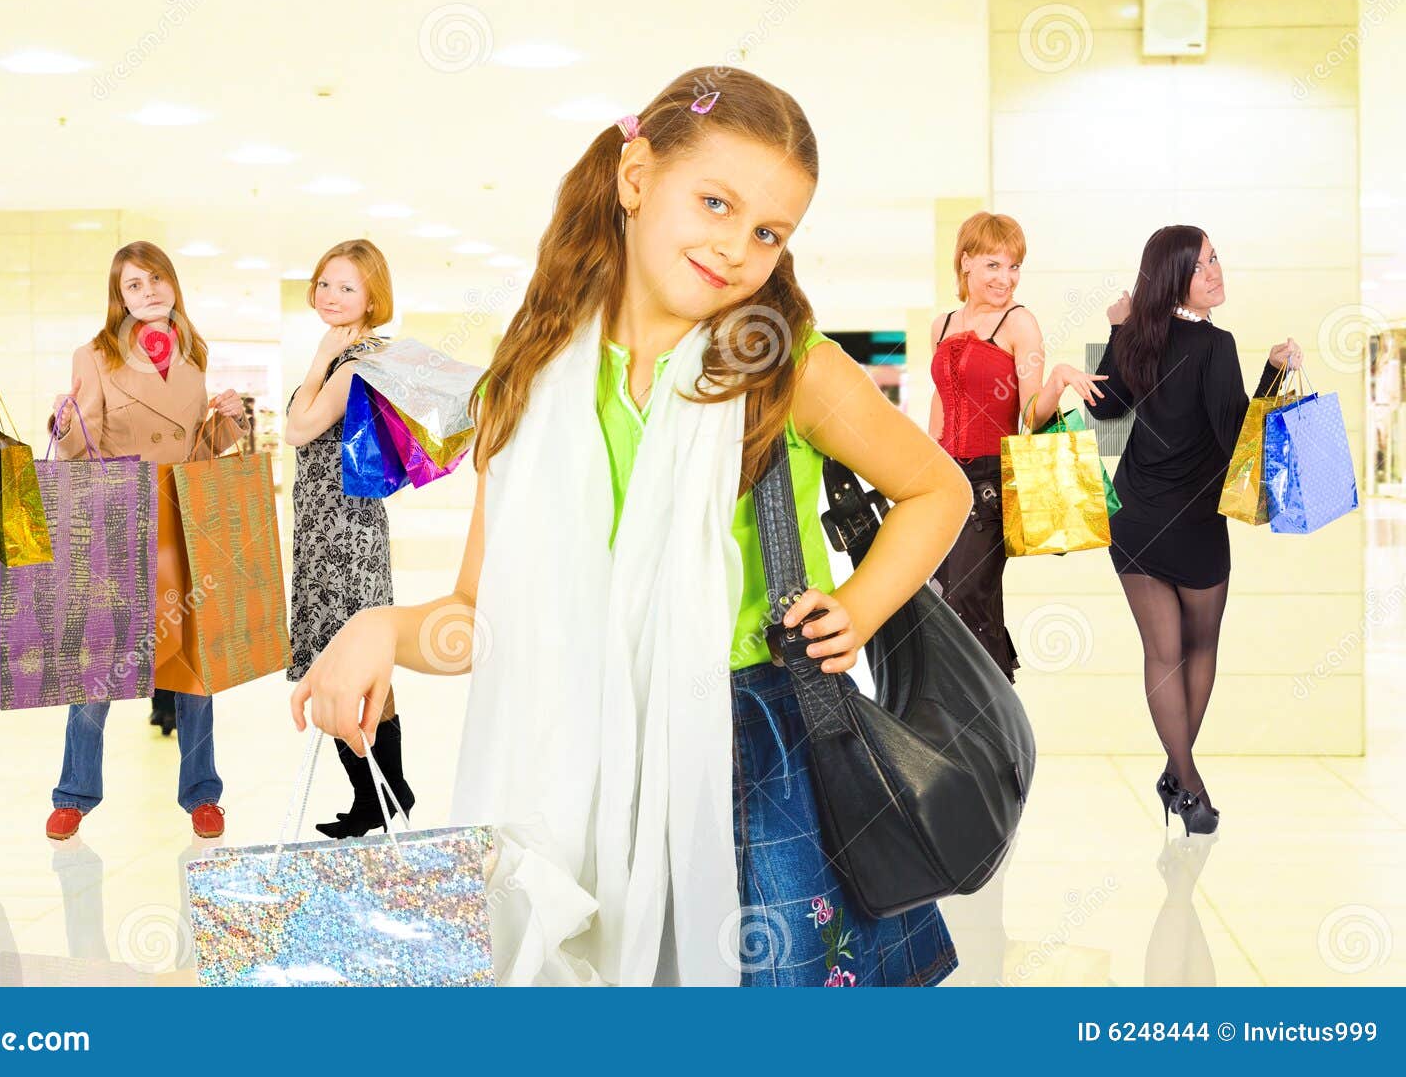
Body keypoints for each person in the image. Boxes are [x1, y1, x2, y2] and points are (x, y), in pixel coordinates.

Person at [293, 67, 976, 986]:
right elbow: (476, 616)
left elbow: (940, 491)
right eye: (715, 202)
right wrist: (374, 628)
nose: (737, 247)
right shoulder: (527, 385)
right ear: (636, 178)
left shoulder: (784, 368)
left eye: (768, 231)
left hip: (752, 757)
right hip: (572, 770)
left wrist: (856, 608)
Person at [1087, 226, 1301, 837]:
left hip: (1133, 518)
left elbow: (1103, 408)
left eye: (1216, 259)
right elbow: (1237, 434)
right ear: (1176, 276)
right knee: (1198, 649)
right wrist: (1271, 372)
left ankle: (1182, 780)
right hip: (1195, 523)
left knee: (1161, 654)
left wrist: (1117, 329)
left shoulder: (1139, 338)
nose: (1216, 270)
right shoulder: (1216, 344)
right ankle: (1186, 784)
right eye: (1203, 263)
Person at [43, 241, 249, 841]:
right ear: (120, 297)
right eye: (133, 285)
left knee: (192, 663)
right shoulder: (95, 355)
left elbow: (197, 453)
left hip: (182, 518)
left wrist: (229, 420)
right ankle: (74, 793)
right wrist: (63, 423)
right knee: (98, 662)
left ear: (173, 284)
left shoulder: (193, 352)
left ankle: (202, 793)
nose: (148, 292)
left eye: (156, 280)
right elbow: (81, 447)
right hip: (120, 515)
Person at [928, 212, 1107, 681]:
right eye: (993, 265)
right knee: (940, 594)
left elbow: (1030, 416)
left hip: (990, 481)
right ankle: (962, 723)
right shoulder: (942, 324)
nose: (1005, 279)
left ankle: (992, 719)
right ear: (965, 262)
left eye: (1013, 267)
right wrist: (921, 473)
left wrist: (1059, 379)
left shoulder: (1019, 322)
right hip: (943, 480)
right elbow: (941, 402)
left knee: (966, 596)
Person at [284, 239, 414, 838]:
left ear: (371, 298)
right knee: (348, 662)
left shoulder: (356, 359)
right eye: (325, 283)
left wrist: (316, 363)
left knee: (346, 663)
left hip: (345, 536)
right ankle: (380, 797)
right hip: (325, 528)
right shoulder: (347, 354)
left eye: (347, 288)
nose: (331, 296)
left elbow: (299, 428)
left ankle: (382, 794)